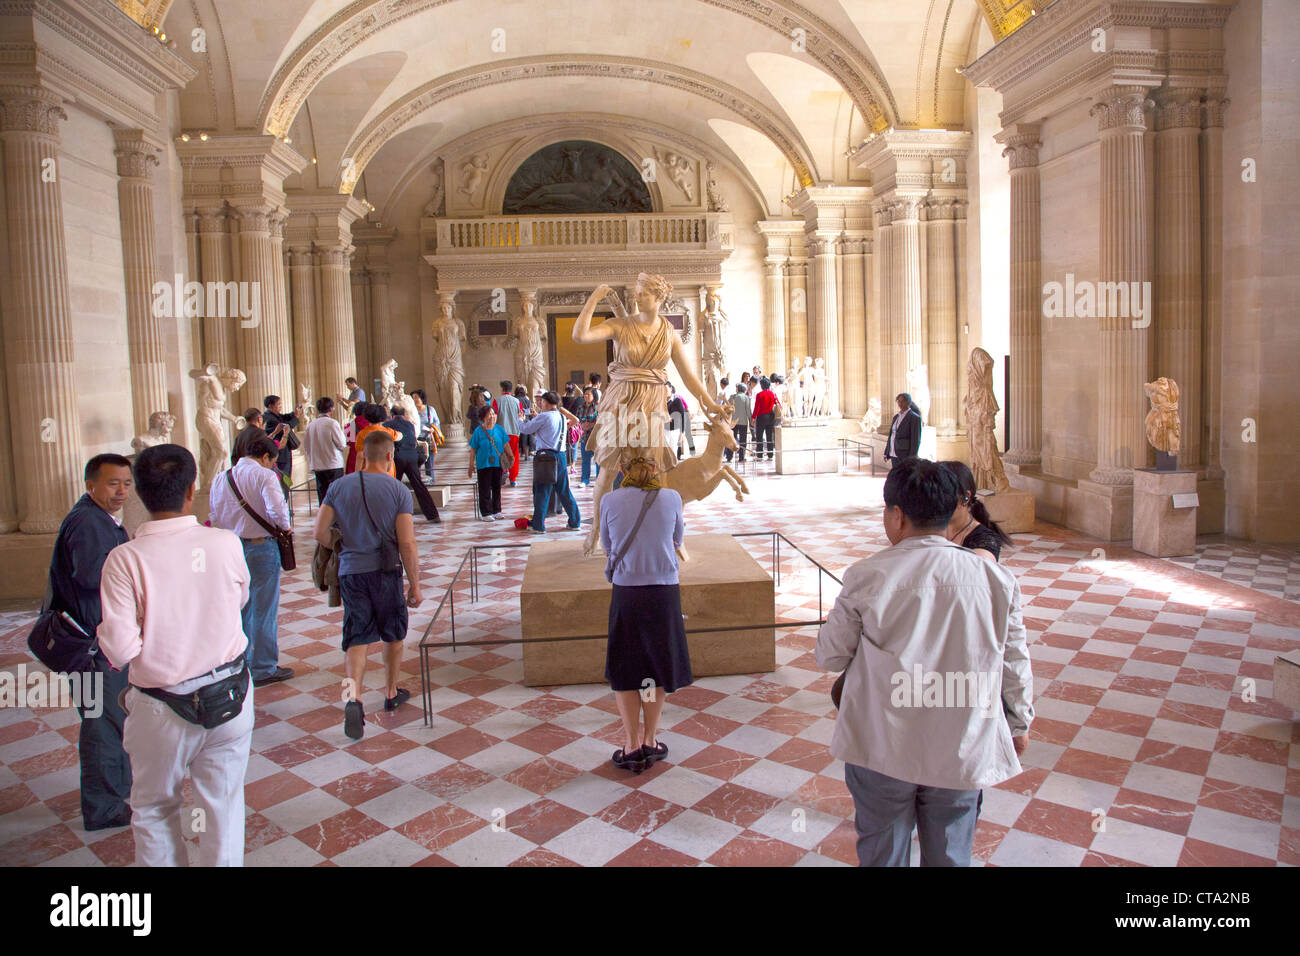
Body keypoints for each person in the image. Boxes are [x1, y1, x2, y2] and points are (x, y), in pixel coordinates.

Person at [816, 458, 1032, 867]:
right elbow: (1014, 659)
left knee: (884, 854)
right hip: (961, 740)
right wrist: (1019, 723)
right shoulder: (995, 579)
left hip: (882, 742)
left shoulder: (867, 576)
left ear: (896, 515)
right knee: (951, 854)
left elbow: (830, 655)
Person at [98, 444, 254, 867]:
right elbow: (238, 601)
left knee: (153, 808)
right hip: (230, 694)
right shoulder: (224, 543)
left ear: (139, 495)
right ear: (191, 490)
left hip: (161, 706)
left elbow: (120, 648)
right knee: (220, 806)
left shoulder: (124, 559)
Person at [314, 431, 423, 740]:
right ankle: (390, 692)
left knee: (356, 637)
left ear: (363, 455)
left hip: (351, 572)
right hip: (385, 571)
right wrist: (414, 584)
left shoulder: (337, 487)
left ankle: (354, 697)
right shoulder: (397, 490)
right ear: (390, 456)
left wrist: (344, 544)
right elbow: (407, 541)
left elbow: (319, 532)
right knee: (393, 634)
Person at [46, 453, 133, 831]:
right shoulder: (90, 523)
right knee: (103, 725)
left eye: (127, 484)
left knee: (112, 719)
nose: (121, 491)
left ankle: (117, 789)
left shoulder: (96, 518)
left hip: (98, 641)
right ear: (90, 485)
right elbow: (94, 580)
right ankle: (104, 807)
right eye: (113, 483)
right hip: (94, 646)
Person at [600, 456, 691, 773]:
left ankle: (631, 743)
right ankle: (651, 740)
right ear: (655, 470)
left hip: (628, 592)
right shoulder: (672, 498)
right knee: (654, 666)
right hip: (663, 592)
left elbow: (607, 545)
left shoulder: (610, 500)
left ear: (622, 471)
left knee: (627, 668)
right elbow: (678, 539)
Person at [208, 435, 294, 688]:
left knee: (239, 607)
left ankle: (240, 663)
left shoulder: (221, 477)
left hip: (231, 547)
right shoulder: (264, 476)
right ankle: (264, 667)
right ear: (265, 457)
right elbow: (277, 510)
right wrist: (285, 528)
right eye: (271, 461)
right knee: (264, 608)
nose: (271, 466)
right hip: (260, 547)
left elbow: (214, 514)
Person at [518, 390, 581, 534]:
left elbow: (526, 429)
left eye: (542, 401)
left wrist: (520, 420)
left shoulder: (544, 416)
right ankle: (575, 521)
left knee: (542, 491)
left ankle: (539, 525)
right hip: (561, 456)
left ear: (546, 402)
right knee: (564, 490)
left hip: (546, 458)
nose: (541, 404)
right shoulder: (561, 416)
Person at [938, 461, 1015, 562]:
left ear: (966, 498)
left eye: (942, 495)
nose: (935, 502)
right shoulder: (925, 527)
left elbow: (977, 566)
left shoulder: (985, 539)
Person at [384, 406, 441, 523]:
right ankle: (433, 515)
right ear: (403, 415)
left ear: (392, 415)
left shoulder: (387, 425)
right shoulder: (409, 424)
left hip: (398, 458)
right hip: (412, 457)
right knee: (419, 486)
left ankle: (388, 517)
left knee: (392, 487)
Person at [468, 406, 509, 520]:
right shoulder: (478, 431)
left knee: (497, 487)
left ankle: (497, 510)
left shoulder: (500, 429)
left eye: (493, 413)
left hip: (497, 463)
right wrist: (471, 465)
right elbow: (473, 449)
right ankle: (486, 512)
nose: (492, 416)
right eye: (489, 414)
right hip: (483, 464)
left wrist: (511, 457)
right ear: (483, 417)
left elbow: (506, 444)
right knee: (485, 488)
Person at [304, 396, 346, 504]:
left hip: (318, 465)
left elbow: (307, 446)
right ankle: (336, 520)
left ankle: (324, 519)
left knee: (323, 496)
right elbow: (341, 444)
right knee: (336, 495)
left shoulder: (311, 425)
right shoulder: (332, 423)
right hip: (333, 464)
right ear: (331, 409)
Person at [261, 395, 301, 495]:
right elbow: (285, 426)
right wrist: (295, 418)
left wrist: (294, 413)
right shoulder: (269, 419)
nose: (280, 406)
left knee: (287, 479)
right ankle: (284, 501)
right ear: (270, 406)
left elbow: (285, 417)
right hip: (280, 458)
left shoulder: (276, 416)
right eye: (278, 404)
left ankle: (286, 499)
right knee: (282, 481)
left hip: (285, 455)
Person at [355, 404, 399, 478]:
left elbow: (360, 456)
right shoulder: (388, 432)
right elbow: (400, 435)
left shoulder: (362, 434)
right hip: (388, 470)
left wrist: (357, 475)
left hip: (369, 471)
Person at [495, 380, 524, 487]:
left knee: (501, 454)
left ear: (502, 389)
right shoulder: (517, 401)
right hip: (514, 432)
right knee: (514, 455)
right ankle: (513, 478)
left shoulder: (496, 401)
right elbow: (521, 415)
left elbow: (494, 416)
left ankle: (503, 472)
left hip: (501, 433)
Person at [885, 393, 923, 466]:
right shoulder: (896, 417)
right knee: (896, 474)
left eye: (902, 401)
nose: (900, 403)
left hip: (905, 453)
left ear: (908, 402)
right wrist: (887, 451)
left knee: (904, 475)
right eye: (898, 401)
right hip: (893, 452)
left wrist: (912, 457)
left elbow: (916, 439)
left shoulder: (914, 418)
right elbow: (891, 435)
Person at [411, 389, 441, 479]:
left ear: (422, 398)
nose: (414, 400)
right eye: (413, 398)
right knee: (416, 463)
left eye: (416, 397)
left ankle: (431, 481)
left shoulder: (430, 410)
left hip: (428, 439)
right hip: (416, 439)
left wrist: (433, 428)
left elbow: (436, 422)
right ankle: (418, 482)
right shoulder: (411, 411)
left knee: (429, 463)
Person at [751, 376, 779, 461]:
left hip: (761, 417)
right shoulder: (772, 394)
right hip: (770, 416)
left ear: (762, 385)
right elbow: (777, 403)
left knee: (759, 435)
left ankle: (760, 454)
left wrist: (753, 418)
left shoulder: (759, 395)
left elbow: (757, 407)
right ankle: (770, 454)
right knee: (769, 435)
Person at [578, 387, 601, 485]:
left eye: (589, 394)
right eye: (585, 394)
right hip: (584, 437)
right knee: (585, 460)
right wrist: (582, 425)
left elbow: (601, 419)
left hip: (596, 437)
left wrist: (591, 425)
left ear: (594, 396)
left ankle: (598, 480)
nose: (586, 396)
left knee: (598, 460)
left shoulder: (598, 407)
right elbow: (577, 419)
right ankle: (585, 480)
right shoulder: (580, 407)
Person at [666, 384, 695, 458]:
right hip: (665, 430)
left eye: (666, 389)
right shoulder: (662, 402)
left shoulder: (677, 400)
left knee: (673, 450)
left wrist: (682, 432)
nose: (664, 391)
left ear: (671, 388)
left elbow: (683, 416)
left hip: (675, 430)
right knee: (666, 452)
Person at [726, 381, 751, 464]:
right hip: (743, 421)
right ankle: (741, 457)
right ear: (744, 390)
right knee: (743, 440)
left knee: (732, 439)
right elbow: (748, 410)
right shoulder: (746, 398)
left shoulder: (732, 397)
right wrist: (751, 420)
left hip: (733, 422)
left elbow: (727, 408)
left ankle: (729, 457)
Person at [515, 384, 534, 460]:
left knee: (519, 438)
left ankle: (520, 453)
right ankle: (526, 454)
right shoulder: (527, 400)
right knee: (526, 437)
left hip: (518, 419)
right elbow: (529, 410)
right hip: (526, 419)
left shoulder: (515, 399)